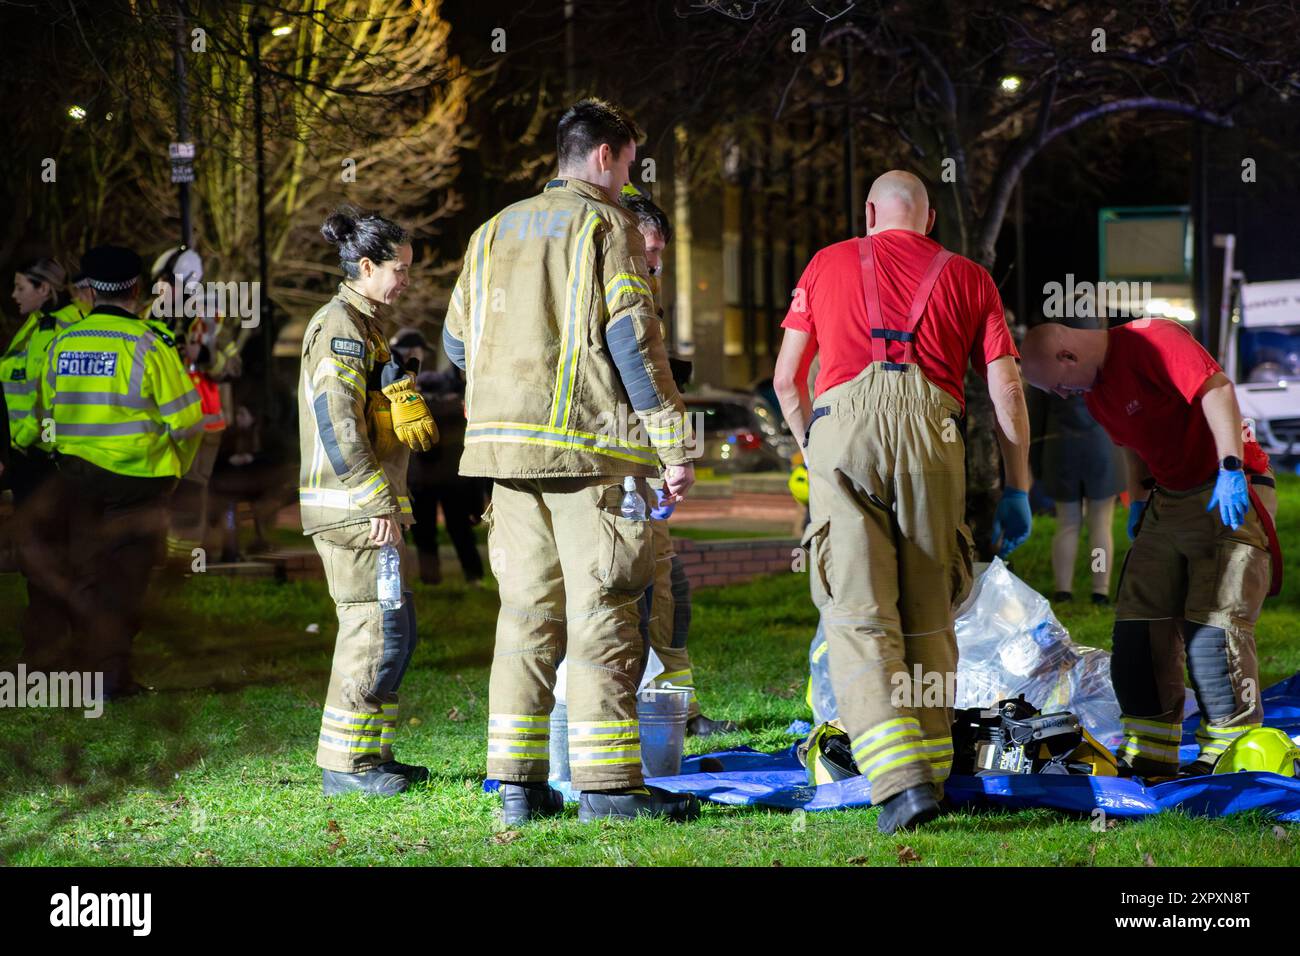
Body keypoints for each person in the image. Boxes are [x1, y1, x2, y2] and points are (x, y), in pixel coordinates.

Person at [444, 98, 700, 824]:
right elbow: (633, 341)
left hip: (503, 454)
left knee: (524, 617)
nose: (627, 179)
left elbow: (457, 342)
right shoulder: (605, 225)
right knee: (605, 613)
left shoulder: (493, 230)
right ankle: (609, 788)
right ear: (603, 156)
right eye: (627, 164)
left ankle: (518, 789)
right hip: (588, 455)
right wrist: (675, 446)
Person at [773, 170, 1033, 834]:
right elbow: (1006, 390)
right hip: (933, 433)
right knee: (928, 608)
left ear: (869, 212)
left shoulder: (826, 264)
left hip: (842, 431)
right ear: (931, 217)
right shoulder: (971, 277)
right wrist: (1018, 486)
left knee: (858, 611)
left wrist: (816, 448)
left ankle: (897, 781)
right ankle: (933, 772)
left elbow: (786, 378)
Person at [1021, 318, 1280, 777]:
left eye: (1058, 385)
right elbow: (1131, 444)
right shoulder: (1096, 393)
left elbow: (1215, 389)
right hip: (1169, 496)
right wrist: (1140, 500)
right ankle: (1150, 753)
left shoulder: (1151, 340)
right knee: (1140, 626)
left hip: (1226, 488)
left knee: (1214, 626)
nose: (1061, 396)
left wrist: (1230, 466)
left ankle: (1230, 751)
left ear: (1068, 356)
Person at [298, 207, 439, 797]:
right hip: (355, 512)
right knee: (372, 628)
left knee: (395, 627)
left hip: (369, 510)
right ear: (365, 266)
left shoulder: (366, 327)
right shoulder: (341, 328)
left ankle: (371, 750)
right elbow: (337, 422)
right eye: (398, 268)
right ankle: (345, 766)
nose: (406, 278)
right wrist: (376, 501)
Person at [40, 245, 204, 697]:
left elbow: (45, 414)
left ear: (89, 291)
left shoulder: (62, 342)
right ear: (136, 289)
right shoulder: (150, 344)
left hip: (76, 478)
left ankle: (84, 671)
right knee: (126, 576)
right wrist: (179, 469)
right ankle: (111, 678)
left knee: (86, 573)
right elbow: (188, 422)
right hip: (138, 482)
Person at [620, 184, 737, 737]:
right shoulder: (610, 295)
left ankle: (676, 712)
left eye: (662, 252)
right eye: (652, 250)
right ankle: (641, 714)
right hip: (621, 470)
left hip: (644, 465)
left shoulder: (644, 295)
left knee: (670, 596)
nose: (657, 262)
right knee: (640, 599)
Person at [3, 257, 85, 672]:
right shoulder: (32, 328)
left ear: (45, 290)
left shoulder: (67, 328)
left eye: (21, 287)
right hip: (27, 461)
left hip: (52, 462)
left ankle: (62, 649)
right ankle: (45, 647)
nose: (14, 295)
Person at [1029, 316, 1123, 604]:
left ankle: (1063, 589)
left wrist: (1035, 462)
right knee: (1100, 522)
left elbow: (1035, 415)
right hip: (1103, 446)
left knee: (1067, 522)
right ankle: (1100, 590)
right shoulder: (1107, 360)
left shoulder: (1051, 359)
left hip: (1060, 447)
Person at [390, 327, 485, 586]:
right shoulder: (452, 390)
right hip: (448, 474)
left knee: (428, 531)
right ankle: (470, 577)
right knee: (454, 529)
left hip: (424, 476)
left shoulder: (403, 389)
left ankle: (433, 578)